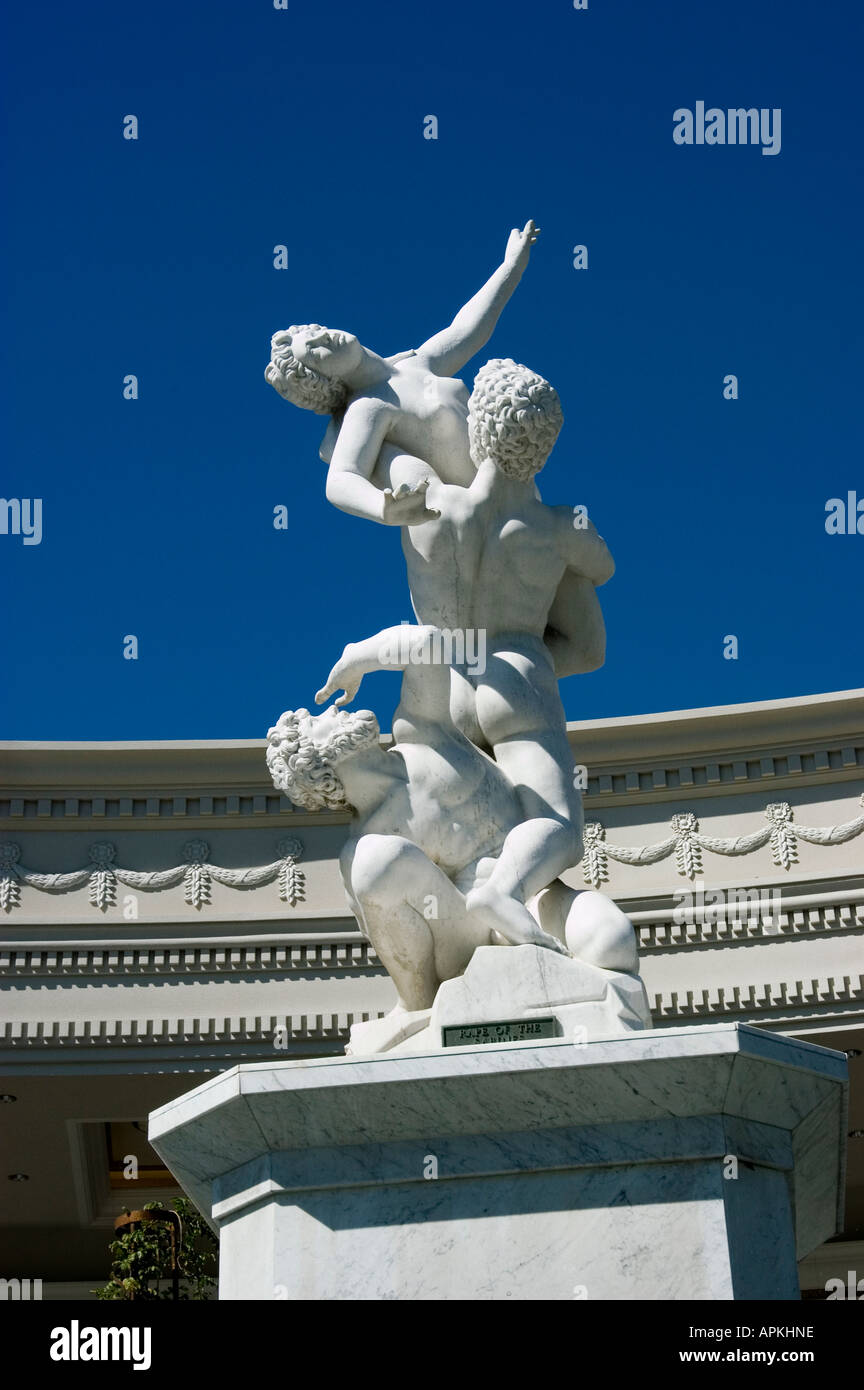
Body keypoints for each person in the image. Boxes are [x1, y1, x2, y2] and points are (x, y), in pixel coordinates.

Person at [264, 222, 606, 678]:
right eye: (318, 354)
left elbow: (469, 328)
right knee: (493, 652)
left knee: (588, 650)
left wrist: (510, 267)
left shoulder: (418, 362)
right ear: (328, 382)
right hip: (470, 530)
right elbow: (340, 479)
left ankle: (497, 676)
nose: (327, 341)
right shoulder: (369, 407)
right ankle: (487, 683)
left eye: (319, 334)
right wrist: (383, 509)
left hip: (522, 506)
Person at [266, 626, 637, 1020]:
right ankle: (423, 1012)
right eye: (316, 721)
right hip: (467, 931)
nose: (332, 709)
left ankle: (503, 896)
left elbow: (428, 643)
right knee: (374, 861)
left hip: (537, 896)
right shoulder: (367, 844)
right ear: (317, 763)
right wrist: (414, 1004)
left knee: (612, 942)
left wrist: (358, 656)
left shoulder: (421, 731)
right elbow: (399, 946)